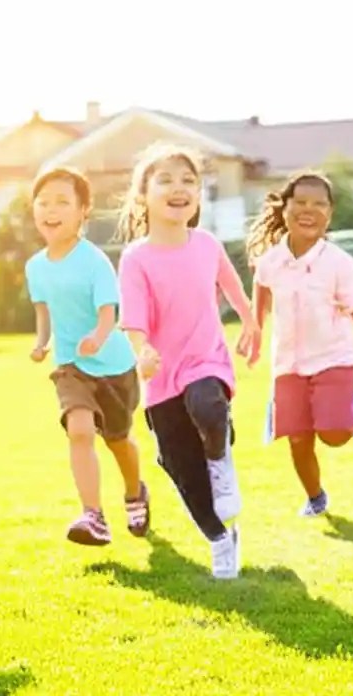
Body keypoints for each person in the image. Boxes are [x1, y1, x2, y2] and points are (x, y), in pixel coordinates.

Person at [115, 143, 260, 579]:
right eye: (166, 180)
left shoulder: (206, 244)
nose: (179, 189)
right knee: (183, 470)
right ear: (143, 195)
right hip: (161, 380)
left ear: (198, 194)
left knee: (209, 406)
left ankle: (221, 460)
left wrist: (250, 321)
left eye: (188, 181)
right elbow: (134, 317)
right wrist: (142, 350)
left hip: (205, 360)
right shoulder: (136, 258)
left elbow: (231, 283)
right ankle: (220, 539)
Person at [245, 170, 353, 517]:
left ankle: (352, 401)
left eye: (319, 204)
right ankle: (315, 497)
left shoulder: (338, 263)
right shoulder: (271, 261)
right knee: (299, 439)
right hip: (288, 365)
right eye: (300, 202)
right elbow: (260, 284)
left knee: (334, 434)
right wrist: (254, 328)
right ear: (284, 208)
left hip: (334, 359)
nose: (309, 209)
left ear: (330, 214)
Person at [25, 166, 149, 546]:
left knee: (118, 441)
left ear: (83, 210)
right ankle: (93, 516)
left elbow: (108, 313)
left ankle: (135, 491)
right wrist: (42, 342)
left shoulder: (94, 261)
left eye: (63, 201)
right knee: (79, 430)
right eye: (43, 202)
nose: (51, 209)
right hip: (70, 366)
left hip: (114, 367)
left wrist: (97, 336)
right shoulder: (36, 266)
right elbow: (44, 312)